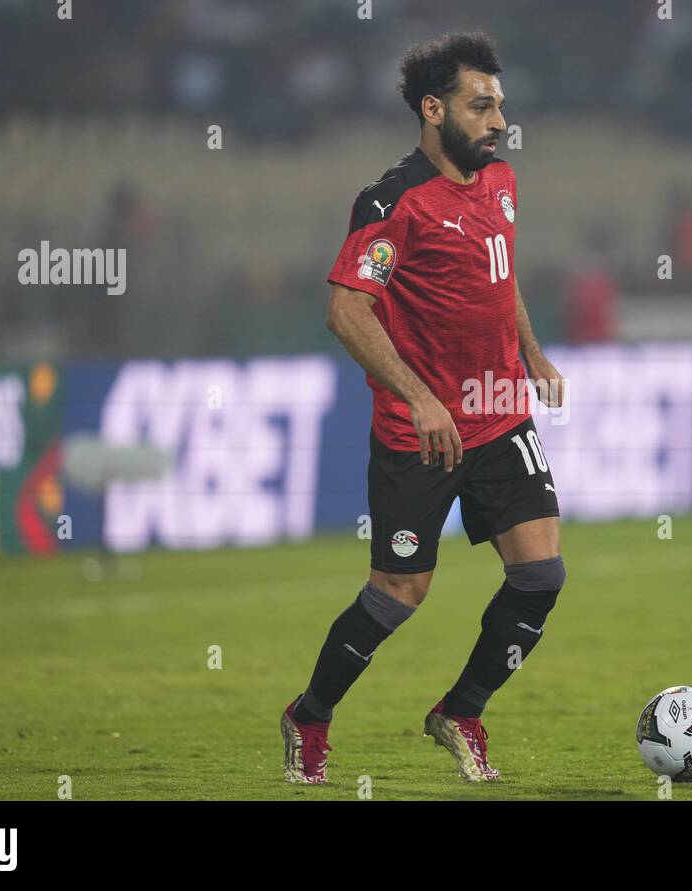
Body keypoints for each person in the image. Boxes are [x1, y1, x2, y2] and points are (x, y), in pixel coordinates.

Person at [281, 31, 567, 784]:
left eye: (499, 104)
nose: (498, 120)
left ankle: (461, 709)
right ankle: (310, 715)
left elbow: (500, 279)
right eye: (481, 105)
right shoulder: (391, 201)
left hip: (500, 410)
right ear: (433, 109)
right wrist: (418, 397)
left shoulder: (500, 180)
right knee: (400, 591)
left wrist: (530, 352)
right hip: (420, 430)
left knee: (541, 574)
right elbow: (347, 312)